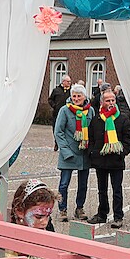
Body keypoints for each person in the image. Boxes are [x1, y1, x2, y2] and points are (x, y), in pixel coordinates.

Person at [86, 91, 130, 228]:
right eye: (108, 101)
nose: (111, 103)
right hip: (100, 160)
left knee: (117, 189)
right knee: (102, 189)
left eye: (112, 100)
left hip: (116, 160)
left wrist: (122, 151)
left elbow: (128, 139)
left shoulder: (122, 119)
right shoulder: (97, 119)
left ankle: (118, 216)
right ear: (102, 103)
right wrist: (93, 152)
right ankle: (102, 214)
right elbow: (91, 137)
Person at [54, 83, 91, 222]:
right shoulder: (64, 110)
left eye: (79, 96)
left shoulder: (90, 111)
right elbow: (58, 131)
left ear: (84, 97)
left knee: (83, 184)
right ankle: (62, 209)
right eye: (74, 96)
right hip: (68, 153)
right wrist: (65, 150)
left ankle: (79, 208)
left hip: (84, 153)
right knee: (64, 184)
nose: (76, 98)